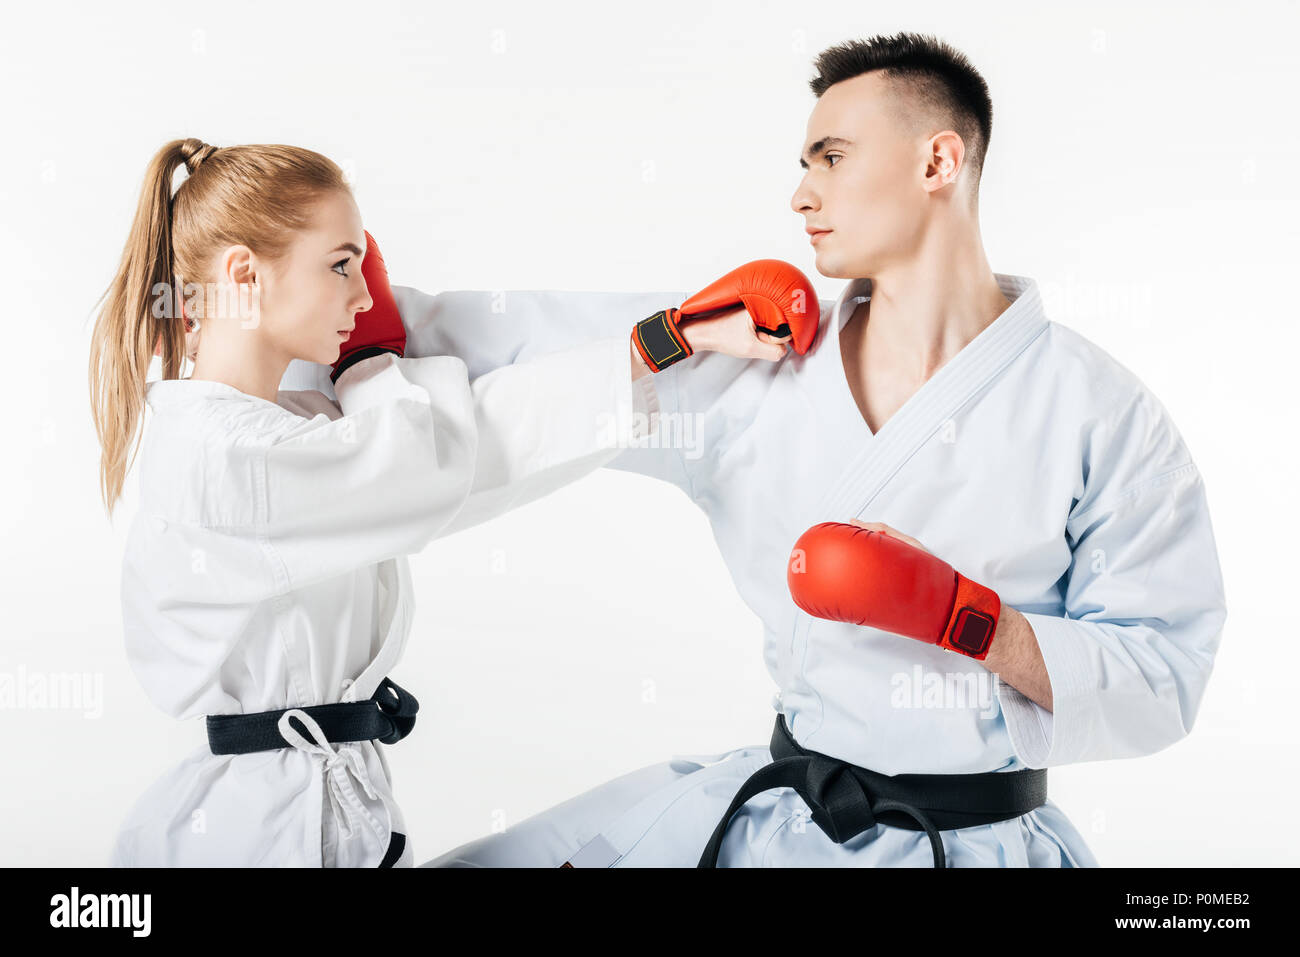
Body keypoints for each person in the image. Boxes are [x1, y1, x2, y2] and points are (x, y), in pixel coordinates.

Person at [284, 33, 1228, 867]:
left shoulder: (1100, 411)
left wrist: (969, 621)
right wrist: (381, 327)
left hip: (982, 844)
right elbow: (563, 350)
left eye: (832, 155)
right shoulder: (763, 361)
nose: (800, 191)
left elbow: (1165, 672)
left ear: (940, 159)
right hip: (791, 819)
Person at [90, 138, 793, 866]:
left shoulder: (291, 428)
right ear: (244, 273)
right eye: (340, 265)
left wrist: (673, 339)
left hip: (311, 811)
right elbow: (426, 465)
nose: (364, 296)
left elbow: (464, 463)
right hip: (251, 837)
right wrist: (372, 363)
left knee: (680, 806)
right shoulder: (222, 457)